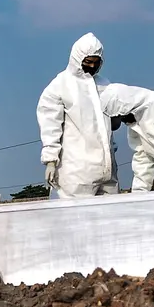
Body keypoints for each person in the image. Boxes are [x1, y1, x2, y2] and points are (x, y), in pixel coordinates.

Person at [37, 33, 118, 198]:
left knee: (111, 219)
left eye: (96, 62)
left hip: (107, 170)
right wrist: (50, 160)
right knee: (76, 220)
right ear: (77, 58)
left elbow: (107, 125)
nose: (92, 66)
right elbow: (50, 125)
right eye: (88, 62)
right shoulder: (60, 86)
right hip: (76, 171)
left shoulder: (104, 84)